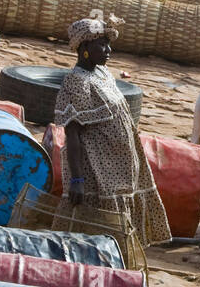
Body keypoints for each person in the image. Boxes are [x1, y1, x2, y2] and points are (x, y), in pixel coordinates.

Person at [57, 18, 170, 246]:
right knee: (99, 227)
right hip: (98, 169)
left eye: (108, 44)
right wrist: (77, 179)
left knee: (122, 226)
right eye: (101, 44)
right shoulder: (76, 83)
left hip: (122, 167)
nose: (108, 50)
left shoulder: (103, 74)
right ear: (84, 48)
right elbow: (73, 134)